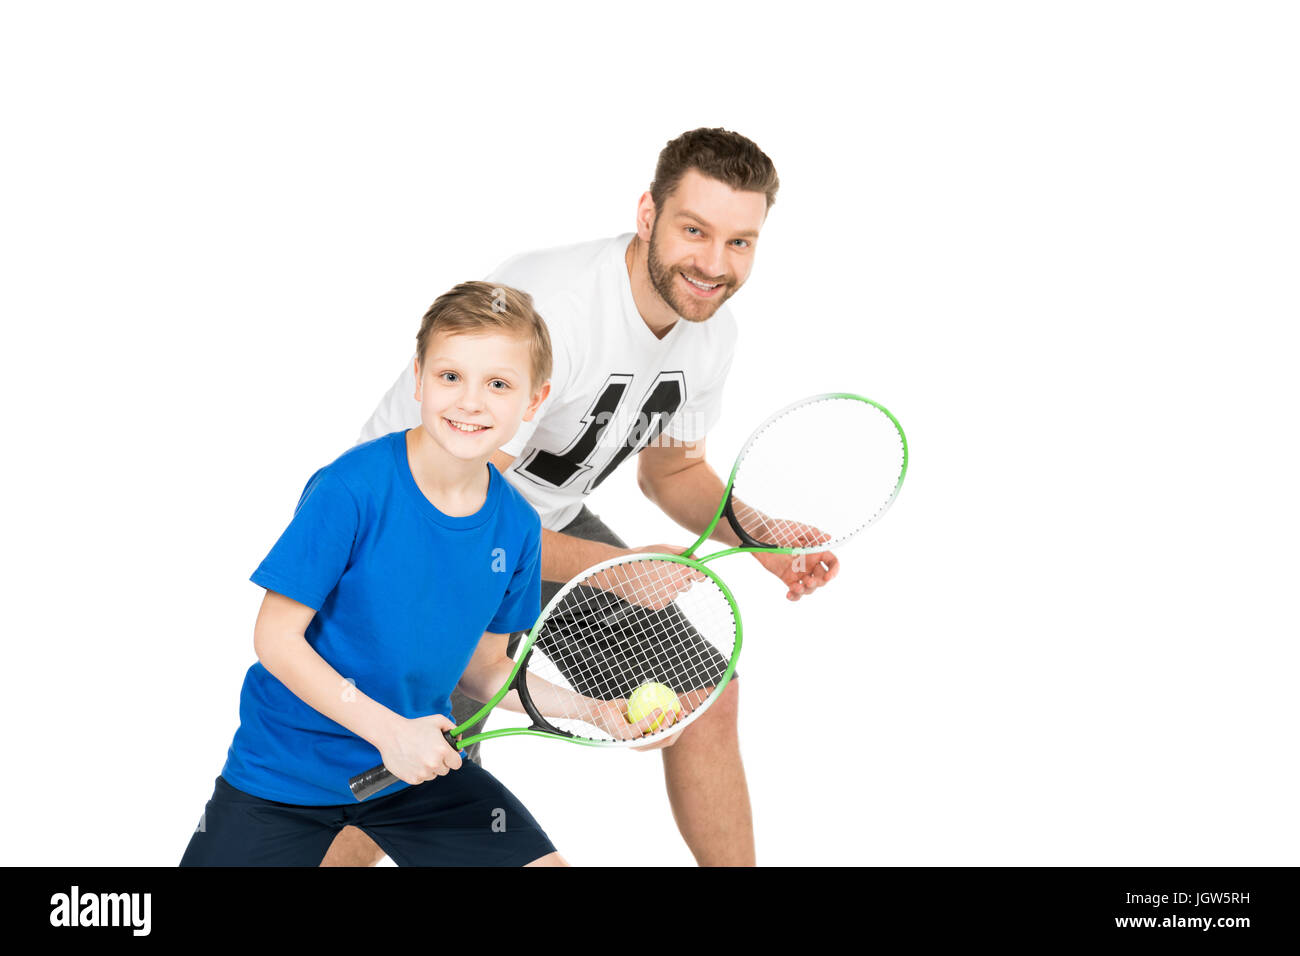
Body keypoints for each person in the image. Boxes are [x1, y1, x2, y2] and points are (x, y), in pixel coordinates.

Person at [323, 128, 840, 868]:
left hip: (538, 527)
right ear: (648, 213)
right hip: (411, 535)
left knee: (702, 696)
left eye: (740, 243)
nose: (713, 264)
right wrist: (614, 566)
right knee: (418, 761)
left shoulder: (708, 334)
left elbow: (671, 473)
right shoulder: (553, 309)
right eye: (695, 231)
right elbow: (464, 500)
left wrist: (760, 536)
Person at [180, 282, 638, 866]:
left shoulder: (518, 527)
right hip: (283, 777)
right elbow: (274, 638)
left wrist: (591, 709)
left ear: (534, 401)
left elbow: (486, 668)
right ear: (418, 379)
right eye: (451, 377)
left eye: (498, 384)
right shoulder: (350, 488)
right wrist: (389, 732)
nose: (471, 402)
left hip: (416, 777)